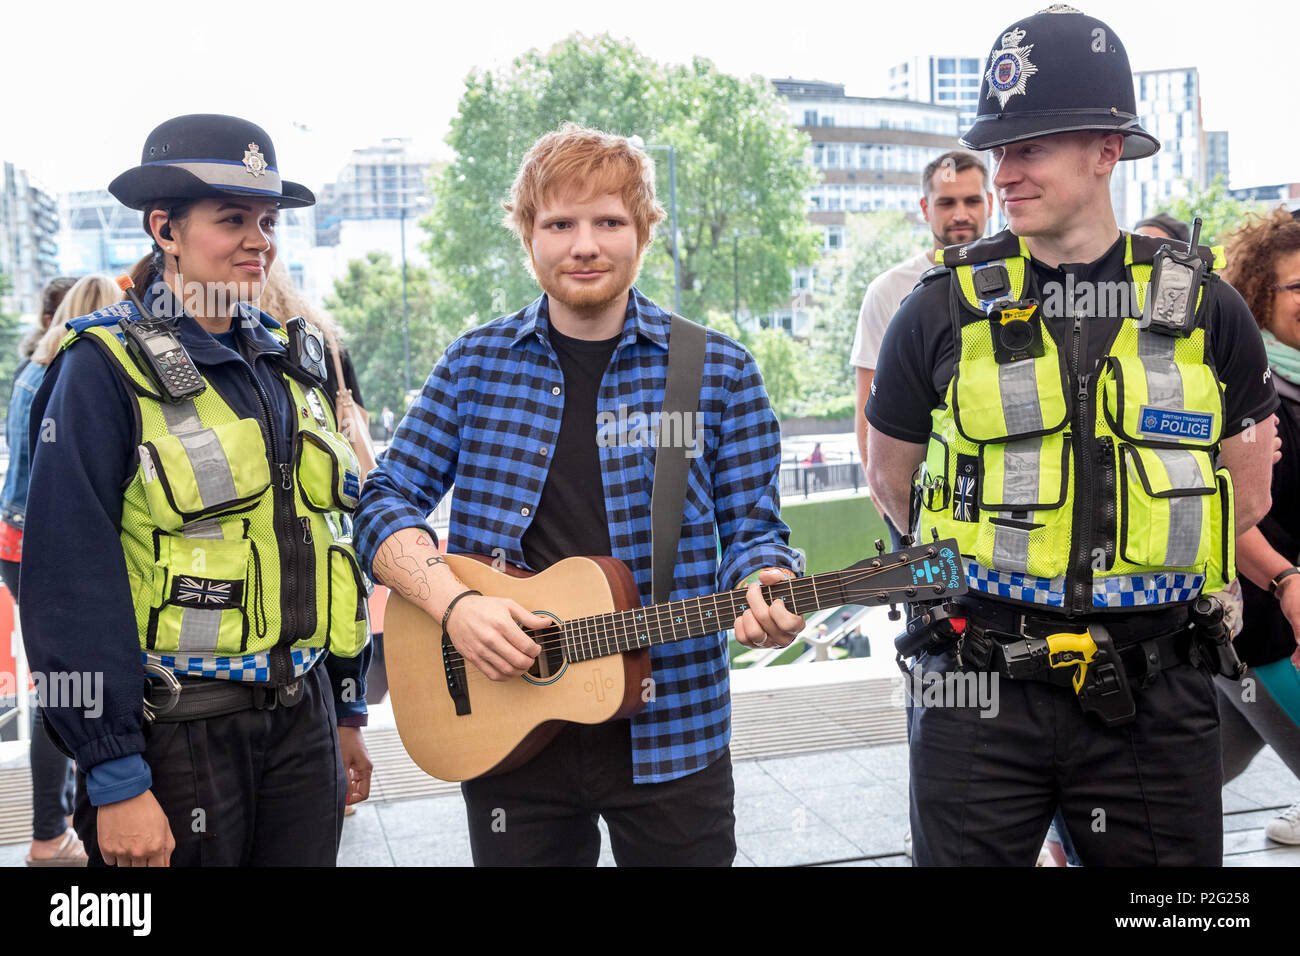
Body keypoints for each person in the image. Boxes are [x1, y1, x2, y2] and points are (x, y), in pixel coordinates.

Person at [865, 8, 1277, 866]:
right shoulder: (936, 308)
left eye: (1029, 148)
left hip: (1158, 689)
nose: (1004, 172)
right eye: (997, 151)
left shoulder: (1206, 309)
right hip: (976, 677)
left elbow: (1248, 487)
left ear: (1105, 150)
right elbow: (889, 477)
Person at [353, 122, 804, 866]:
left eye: (609, 222)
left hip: (675, 727)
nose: (584, 244)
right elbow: (381, 501)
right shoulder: (475, 365)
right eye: (559, 223)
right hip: (505, 725)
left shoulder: (718, 371)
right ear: (527, 235)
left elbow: (753, 530)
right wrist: (455, 607)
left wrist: (765, 584)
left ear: (645, 231)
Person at [21, 114, 372, 867]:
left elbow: (318, 540)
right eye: (231, 219)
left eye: (267, 220)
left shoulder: (289, 360)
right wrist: (115, 778)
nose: (259, 239)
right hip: (177, 738)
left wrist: (346, 709)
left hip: (301, 726)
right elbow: (69, 582)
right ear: (165, 229)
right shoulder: (100, 368)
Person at [851, 149, 992, 533]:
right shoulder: (888, 290)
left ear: (990, 203)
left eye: (972, 200)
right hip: (916, 502)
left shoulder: (1022, 280)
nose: (960, 214)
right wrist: (894, 512)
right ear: (925, 207)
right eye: (946, 202)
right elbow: (867, 406)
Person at [1215, 207, 1300, 845]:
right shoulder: (1247, 393)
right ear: (1258, 295)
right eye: (1297, 286)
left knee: (1206, 760)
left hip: (1256, 646)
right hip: (1271, 626)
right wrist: (1287, 581)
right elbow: (1228, 516)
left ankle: (1069, 830)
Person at [2, 274, 80, 865]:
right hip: (38, 545)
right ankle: (50, 833)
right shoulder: (60, 373)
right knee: (61, 688)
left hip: (18, 540)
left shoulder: (32, 365)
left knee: (60, 685)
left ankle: (61, 824)